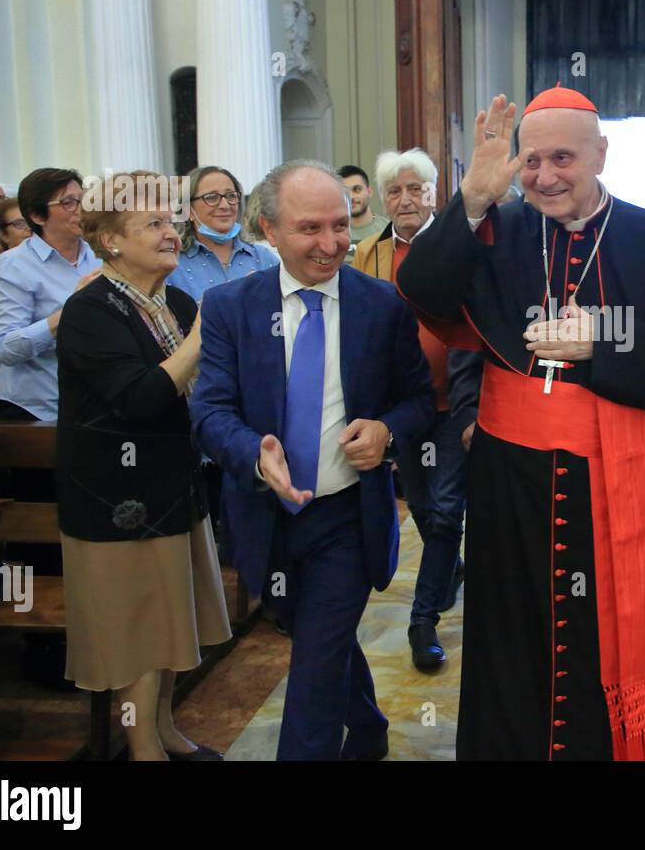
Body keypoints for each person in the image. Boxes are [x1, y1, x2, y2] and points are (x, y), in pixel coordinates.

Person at [397, 90, 645, 761]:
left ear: (601, 154)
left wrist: (604, 338)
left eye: (563, 157)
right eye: (531, 160)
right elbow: (422, 288)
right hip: (509, 479)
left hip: (613, 471)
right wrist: (472, 199)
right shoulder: (500, 229)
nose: (544, 176)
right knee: (513, 636)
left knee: (610, 628)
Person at [192, 159, 434, 760]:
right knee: (316, 636)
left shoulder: (382, 307)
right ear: (269, 230)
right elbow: (209, 412)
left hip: (347, 518)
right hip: (266, 517)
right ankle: (370, 725)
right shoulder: (229, 308)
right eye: (309, 229)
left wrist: (386, 429)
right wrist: (254, 453)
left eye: (340, 225)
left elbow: (418, 400)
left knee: (312, 668)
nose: (330, 245)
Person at [55, 170, 231, 761]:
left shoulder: (172, 300)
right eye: (153, 224)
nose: (170, 233)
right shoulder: (90, 309)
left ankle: (165, 730)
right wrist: (204, 338)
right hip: (115, 500)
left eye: (170, 221)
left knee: (170, 622)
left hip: (175, 483)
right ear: (111, 240)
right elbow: (137, 398)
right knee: (134, 631)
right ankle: (141, 747)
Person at [350, 148, 469, 670]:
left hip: (455, 403)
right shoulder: (367, 254)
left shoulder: (458, 246)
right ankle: (451, 568)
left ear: (433, 193)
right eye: (395, 191)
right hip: (403, 407)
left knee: (445, 508)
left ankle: (423, 621)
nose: (405, 200)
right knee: (421, 506)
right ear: (383, 199)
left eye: (416, 189)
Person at [0, 168, 102, 428]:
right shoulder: (15, 264)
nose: (80, 209)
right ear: (37, 215)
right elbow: (6, 348)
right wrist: (70, 313)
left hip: (92, 402)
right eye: (68, 202)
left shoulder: (98, 255)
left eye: (83, 200)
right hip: (36, 406)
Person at [166, 166, 279, 304]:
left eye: (231, 196)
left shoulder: (263, 258)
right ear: (188, 210)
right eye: (211, 197)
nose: (225, 205)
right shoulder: (173, 265)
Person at [339, 164, 386, 249]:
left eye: (357, 189)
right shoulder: (334, 232)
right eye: (345, 192)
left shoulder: (388, 230)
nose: (351, 197)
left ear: (369, 192)